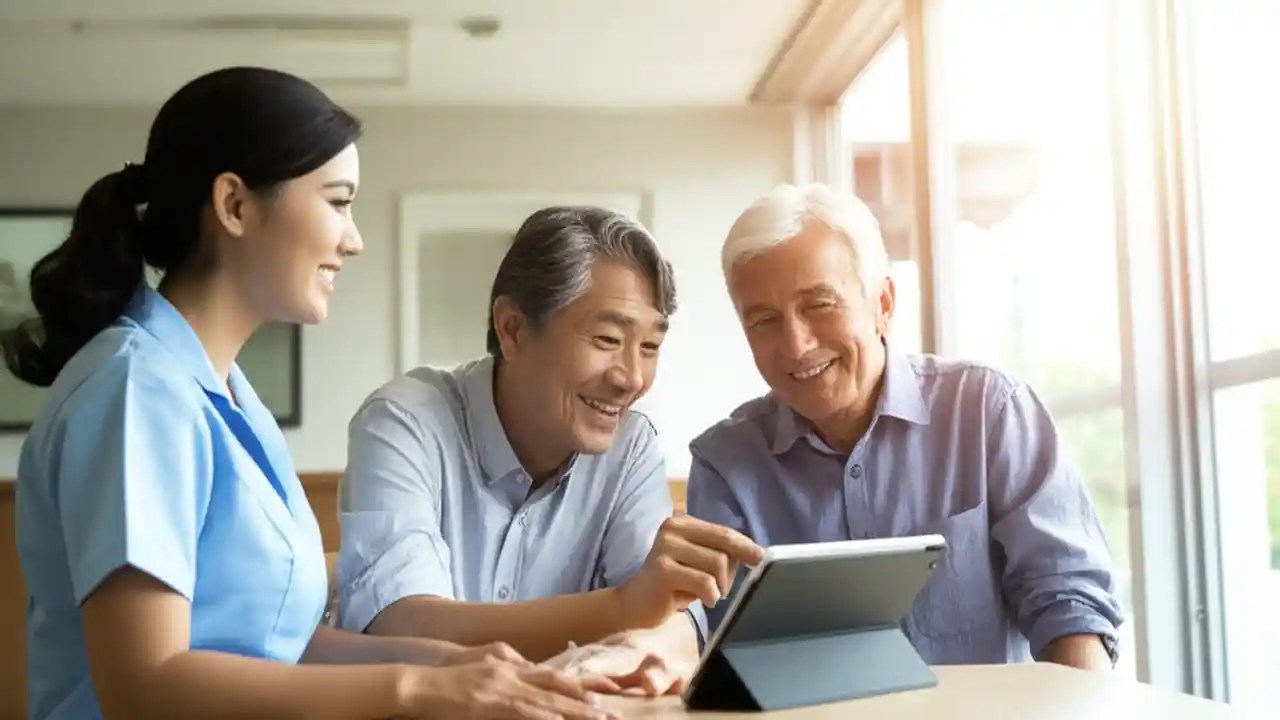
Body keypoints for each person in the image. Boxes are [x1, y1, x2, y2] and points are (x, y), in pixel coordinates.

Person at [4, 67, 614, 720]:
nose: (353, 240)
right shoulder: (133, 390)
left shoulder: (232, 399)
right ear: (234, 205)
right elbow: (146, 684)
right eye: (337, 201)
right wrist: (416, 690)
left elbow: (275, 652)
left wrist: (458, 663)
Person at [685, 183, 1125, 670]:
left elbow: (1068, 602)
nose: (796, 344)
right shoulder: (725, 463)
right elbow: (719, 648)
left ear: (884, 304)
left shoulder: (989, 412)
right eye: (764, 320)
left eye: (819, 305)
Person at [336, 206, 764, 695]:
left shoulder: (631, 448)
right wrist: (624, 608)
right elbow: (401, 626)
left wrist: (656, 648)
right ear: (512, 328)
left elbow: (671, 620)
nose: (631, 377)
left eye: (649, 347)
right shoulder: (405, 421)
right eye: (608, 338)